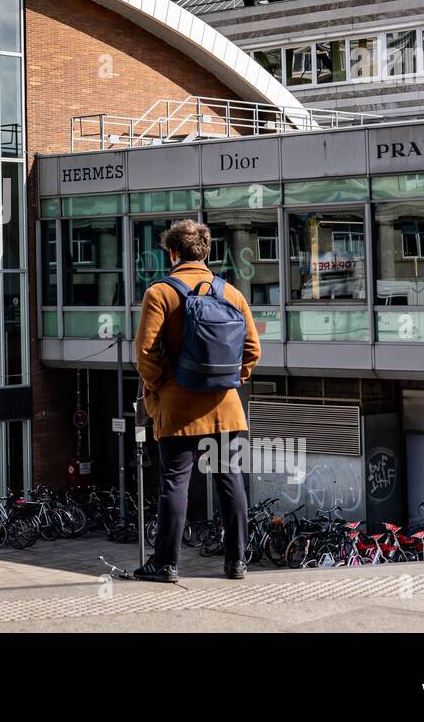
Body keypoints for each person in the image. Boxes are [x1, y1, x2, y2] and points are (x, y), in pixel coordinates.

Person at [133, 220, 260, 583]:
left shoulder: (160, 293)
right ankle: (236, 562)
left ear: (172, 253)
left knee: (175, 483)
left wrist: (161, 387)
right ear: (206, 252)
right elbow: (253, 349)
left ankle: (165, 564)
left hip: (177, 408)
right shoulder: (231, 293)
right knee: (231, 481)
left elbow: (145, 353)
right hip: (226, 408)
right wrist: (230, 381)